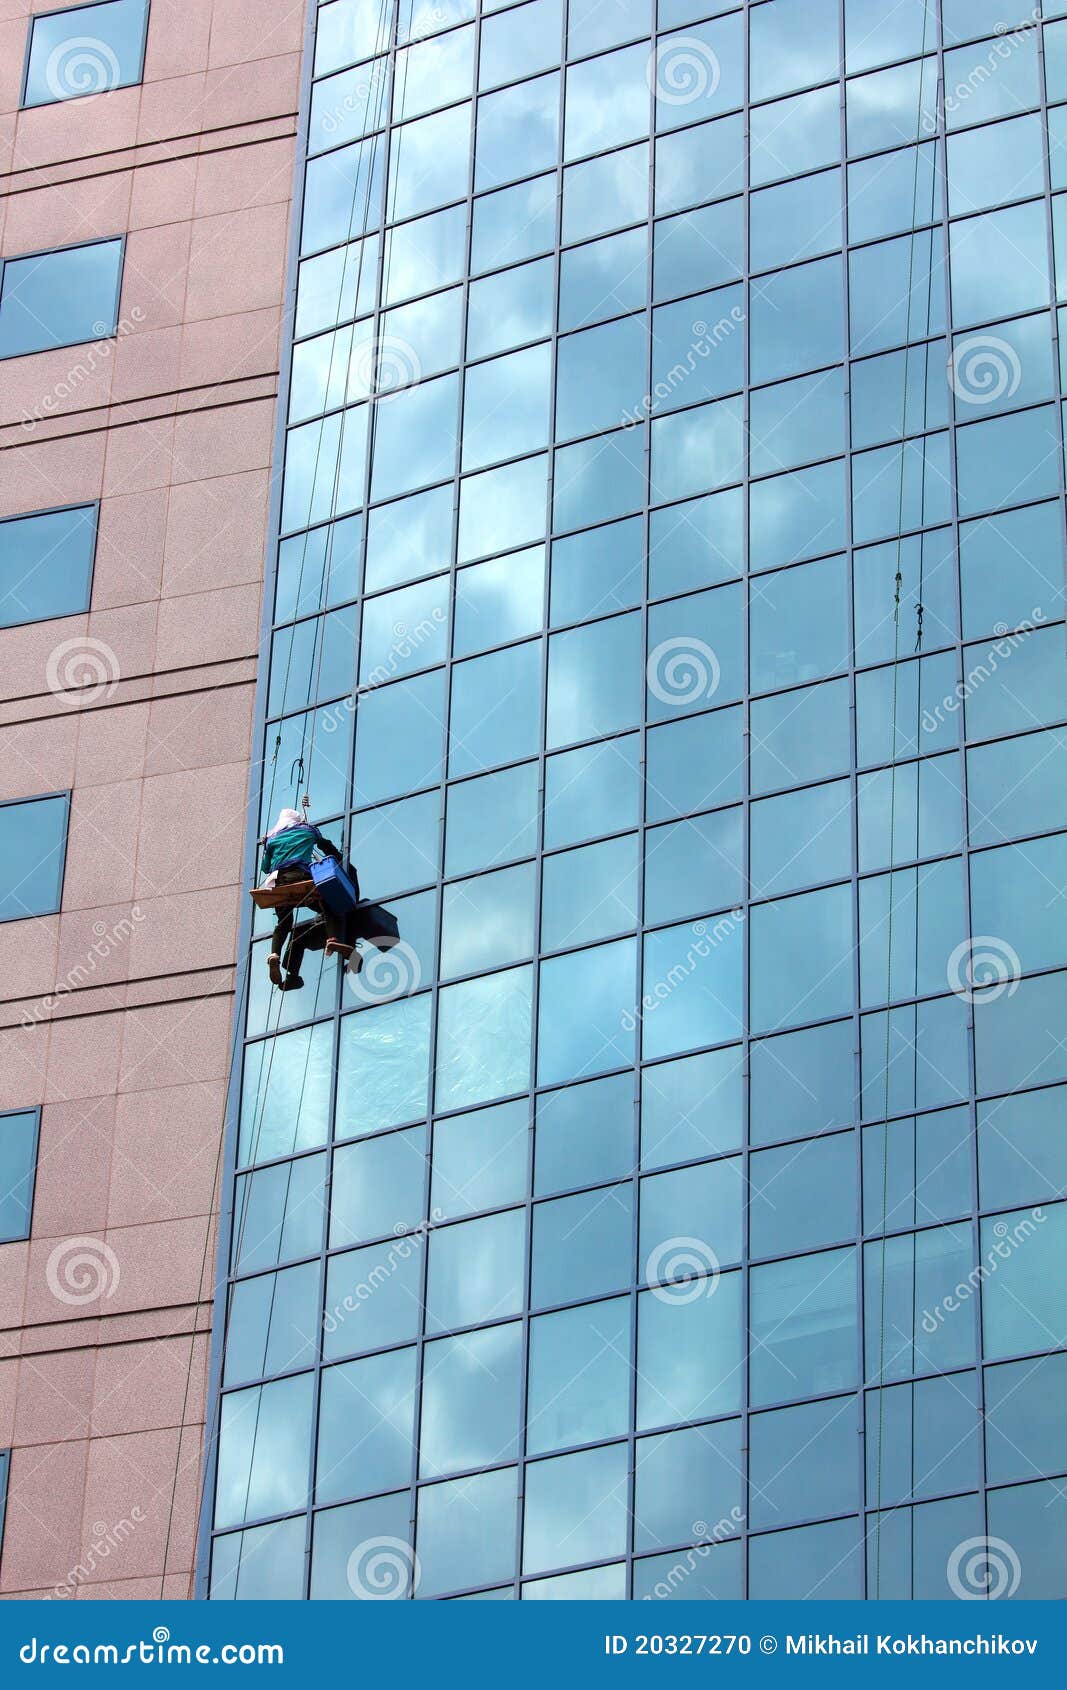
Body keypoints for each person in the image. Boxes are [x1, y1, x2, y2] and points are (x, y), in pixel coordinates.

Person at [260, 807, 353, 989]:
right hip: (301, 878)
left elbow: (265, 867)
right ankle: (332, 939)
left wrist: (269, 846)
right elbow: (325, 845)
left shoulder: (272, 839)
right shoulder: (308, 830)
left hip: (279, 883)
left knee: (284, 922)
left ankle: (275, 955)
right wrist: (340, 857)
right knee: (329, 907)